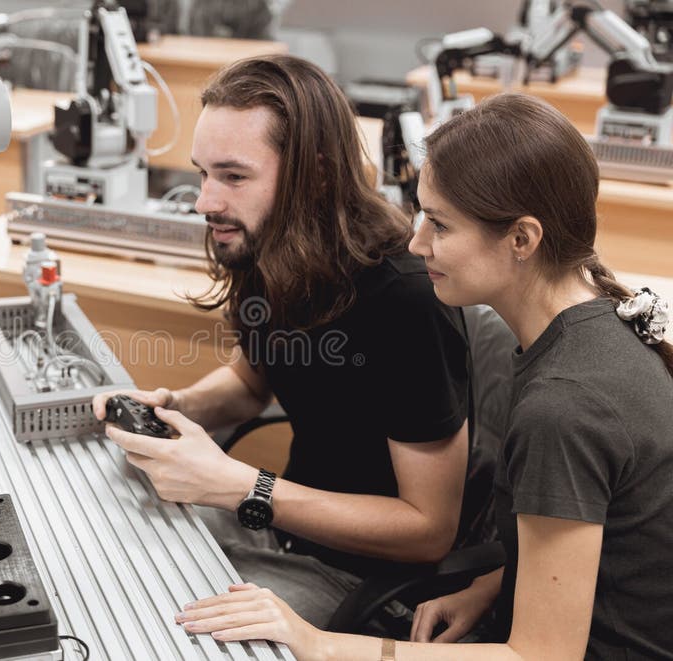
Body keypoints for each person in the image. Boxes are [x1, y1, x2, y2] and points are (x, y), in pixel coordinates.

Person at [174, 93, 673, 660]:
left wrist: (320, 645)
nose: (416, 243)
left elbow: (539, 656)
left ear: (522, 240)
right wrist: (492, 585)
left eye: (438, 224)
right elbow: (606, 538)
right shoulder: (593, 332)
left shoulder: (563, 406)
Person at [92, 53, 471, 630]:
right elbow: (251, 384)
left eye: (233, 176)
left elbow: (428, 530)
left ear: (314, 175)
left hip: (359, 576)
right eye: (202, 173)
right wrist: (173, 409)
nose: (205, 201)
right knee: (101, 547)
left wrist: (246, 486)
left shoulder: (403, 297)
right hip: (278, 528)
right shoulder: (267, 247)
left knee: (137, 620)